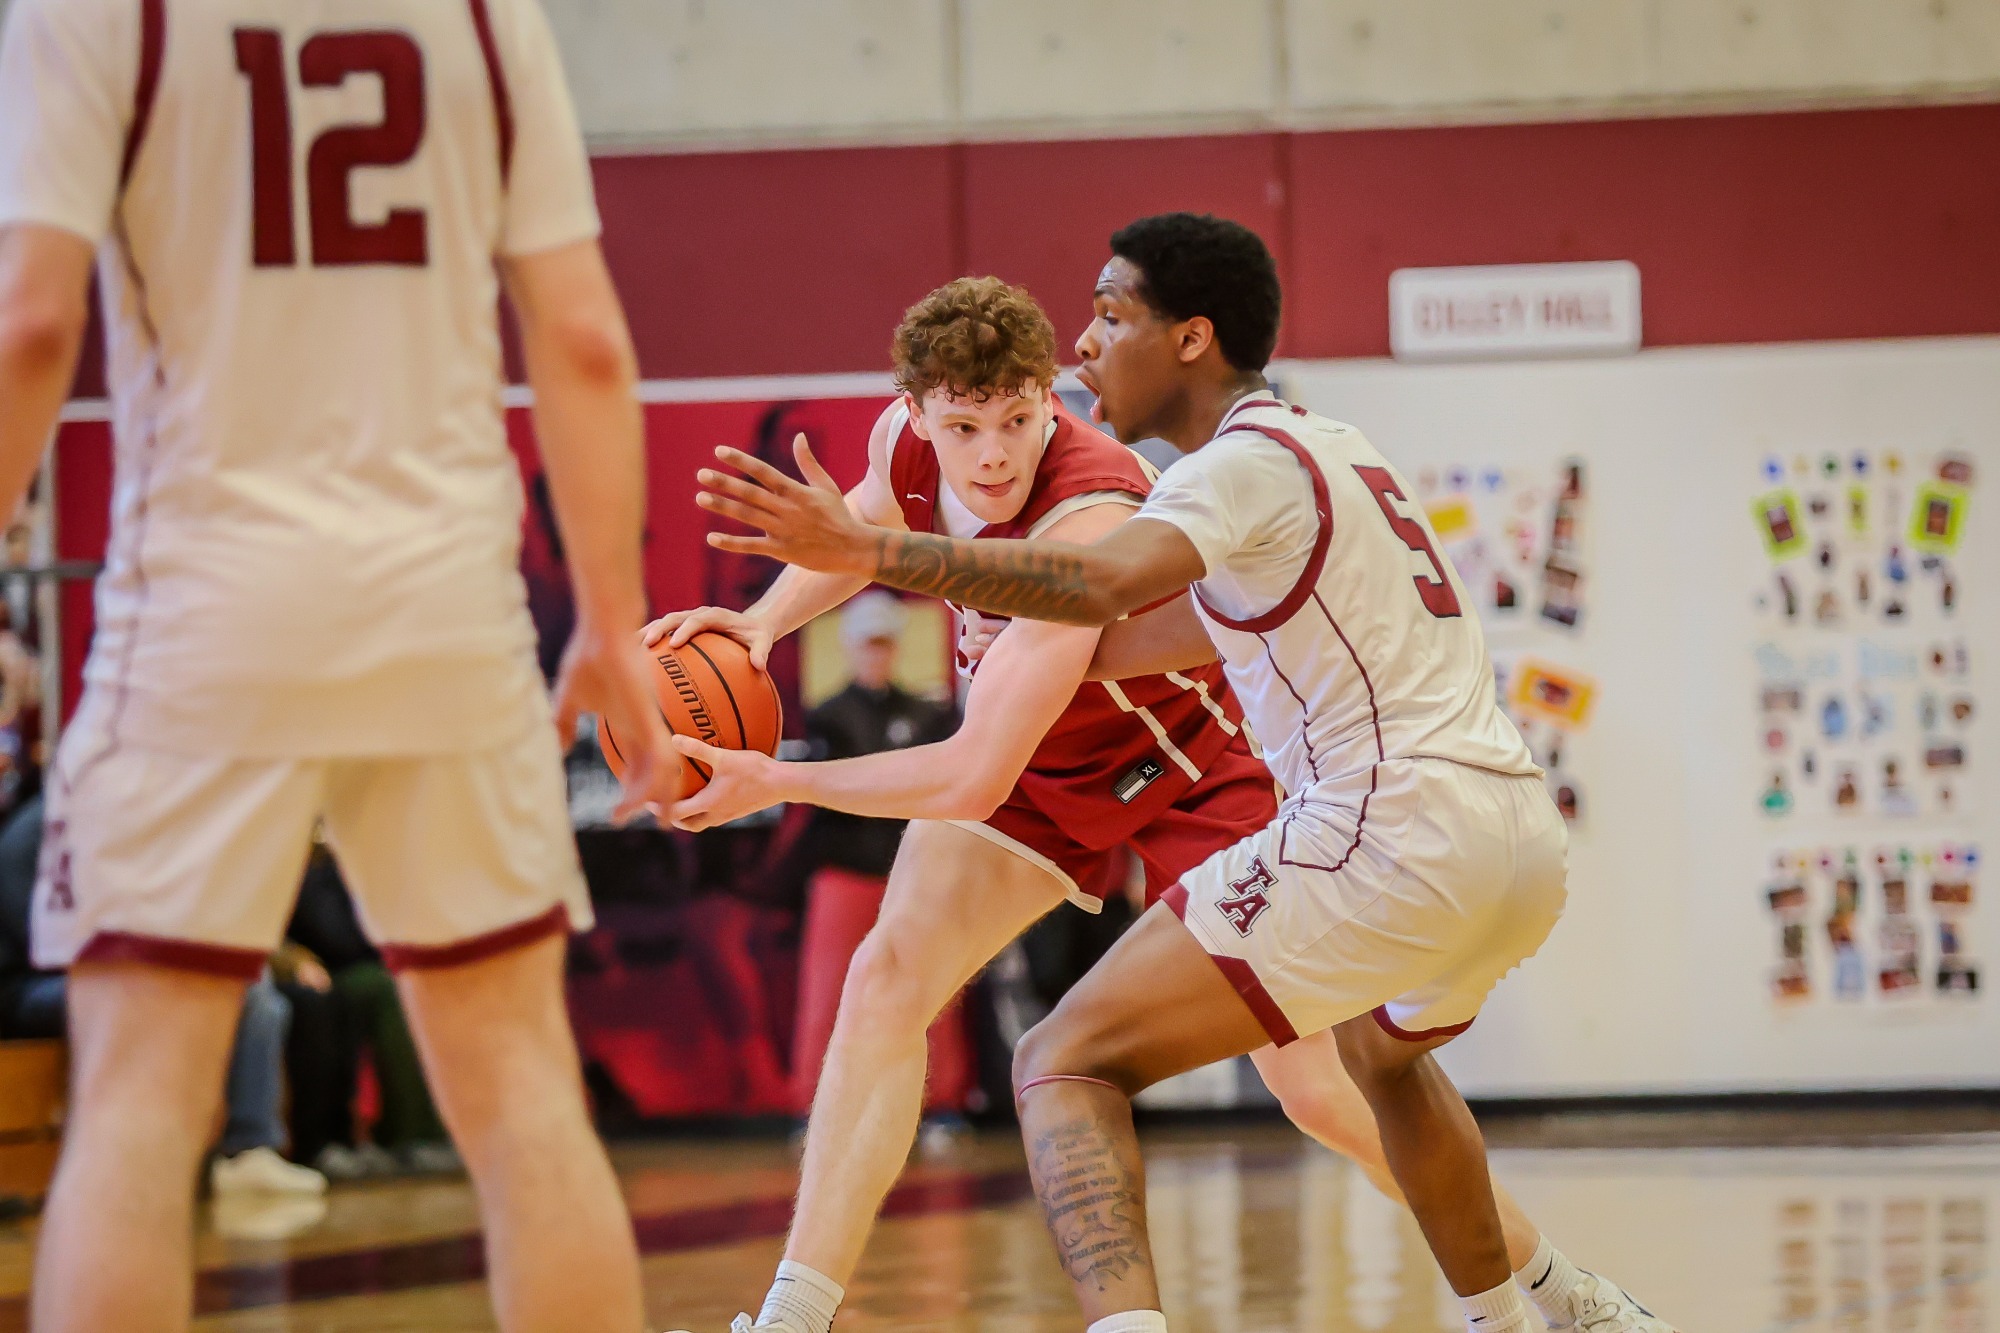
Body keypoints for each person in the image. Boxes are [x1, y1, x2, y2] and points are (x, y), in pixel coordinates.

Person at [688, 218, 1679, 1333]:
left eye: (1020, 416)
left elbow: (978, 750)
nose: (992, 453)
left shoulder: (1106, 497)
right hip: (1061, 759)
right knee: (886, 983)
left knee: (1313, 1086)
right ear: (917, 412)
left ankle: (1552, 1288)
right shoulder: (914, 445)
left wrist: (778, 777)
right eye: (963, 428)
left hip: (1189, 761)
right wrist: (761, 627)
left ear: (1054, 396)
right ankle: (788, 1319)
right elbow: (876, 519)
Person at [0, 0, 680, 1326]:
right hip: (446, 613)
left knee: (140, 1109)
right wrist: (609, 614)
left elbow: (30, 327)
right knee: (527, 1095)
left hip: (206, 617)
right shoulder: (483, 17)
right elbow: (586, 339)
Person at [0, 796, 327, 1196]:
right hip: (28, 986)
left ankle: (248, 1149)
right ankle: (132, 1162)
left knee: (251, 985)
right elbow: (45, 943)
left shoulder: (121, 828)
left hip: (113, 973)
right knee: (145, 996)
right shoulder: (34, 836)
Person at [792, 592, 969, 1122]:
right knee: (827, 994)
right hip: (845, 873)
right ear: (851, 648)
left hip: (912, 873)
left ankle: (944, 1104)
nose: (876, 653)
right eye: (867, 643)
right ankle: (812, 1106)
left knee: (930, 990)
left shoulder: (927, 714)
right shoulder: (825, 717)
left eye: (884, 643)